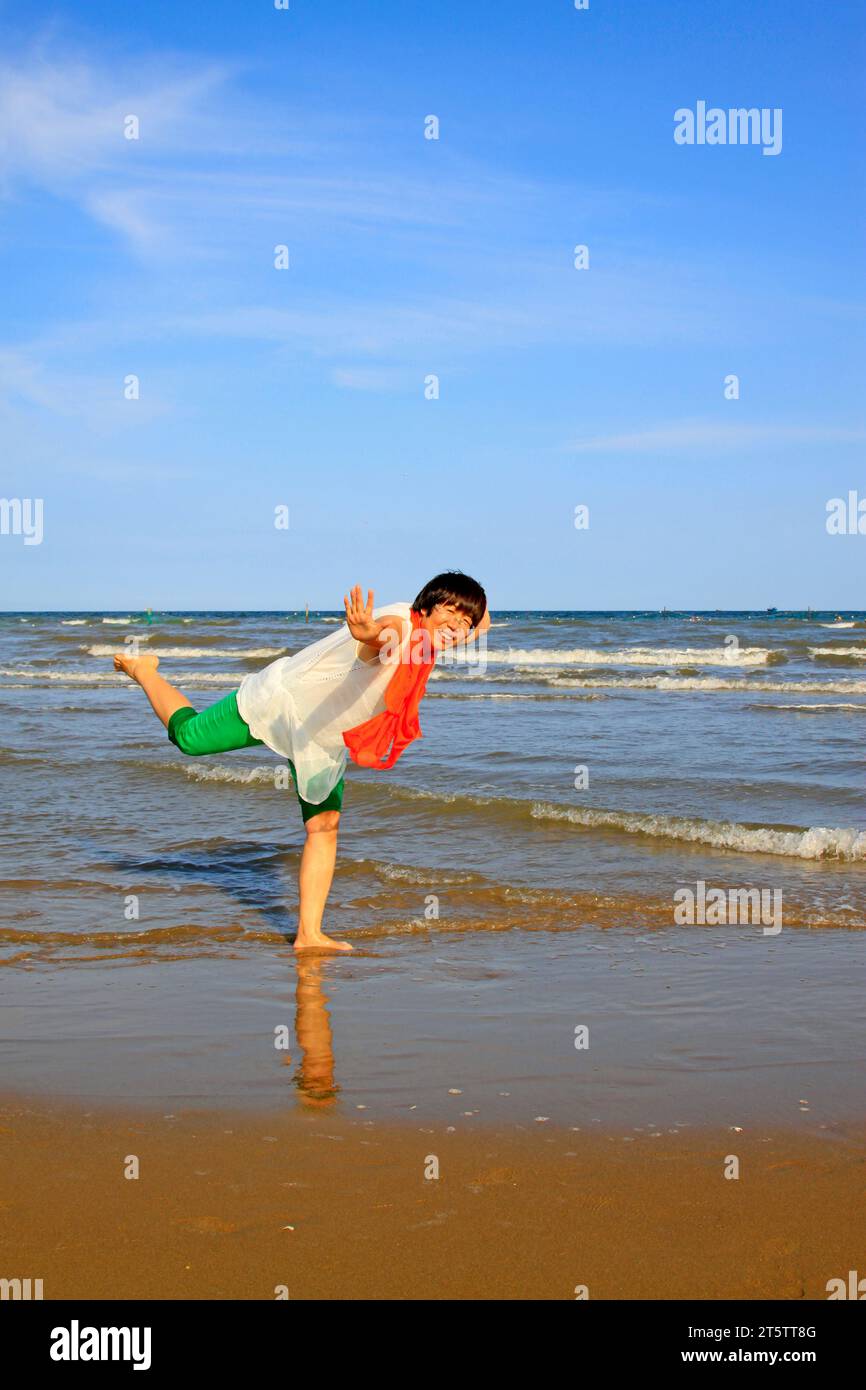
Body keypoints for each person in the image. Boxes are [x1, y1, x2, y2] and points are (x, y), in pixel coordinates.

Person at [113, 572, 489, 951]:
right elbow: (381, 637)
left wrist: (469, 613)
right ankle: (144, 670)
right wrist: (366, 632)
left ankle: (309, 934)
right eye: (450, 612)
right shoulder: (403, 629)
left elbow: (475, 623)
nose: (458, 627)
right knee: (189, 739)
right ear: (425, 604)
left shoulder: (433, 636)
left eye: (465, 622)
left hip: (322, 735)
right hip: (282, 704)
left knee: (324, 826)